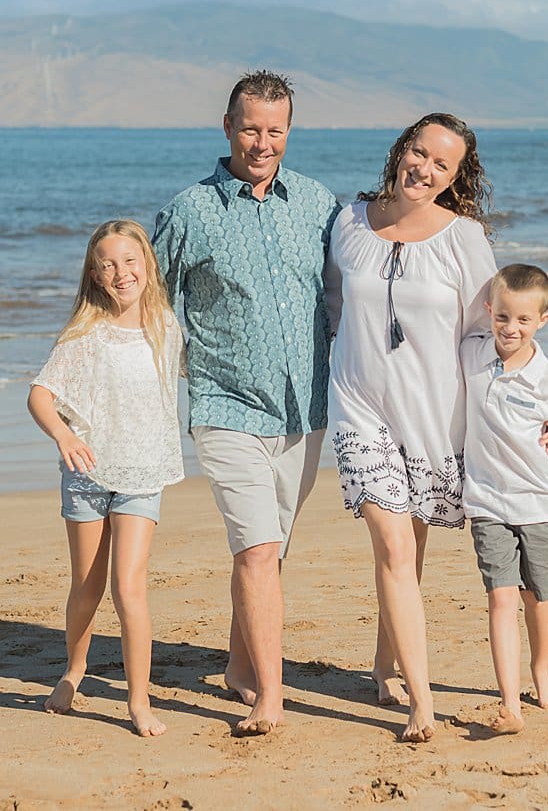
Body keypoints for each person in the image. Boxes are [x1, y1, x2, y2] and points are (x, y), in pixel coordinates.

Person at [152, 71, 339, 736]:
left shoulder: (319, 204)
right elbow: (150, 305)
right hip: (224, 406)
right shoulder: (189, 211)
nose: (263, 142)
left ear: (290, 131)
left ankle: (238, 666)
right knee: (258, 551)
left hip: (304, 409)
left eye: (275, 129)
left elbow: (347, 298)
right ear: (227, 126)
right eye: (251, 127)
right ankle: (270, 696)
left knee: (270, 548)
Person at [324, 112, 498, 742]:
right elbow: (332, 305)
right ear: (401, 149)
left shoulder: (464, 238)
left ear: (455, 177)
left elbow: (488, 332)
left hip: (432, 413)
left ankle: (382, 662)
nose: (423, 169)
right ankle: (421, 705)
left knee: (409, 550)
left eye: (441, 164)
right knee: (395, 548)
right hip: (359, 406)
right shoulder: (347, 222)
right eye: (418, 152)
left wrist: (514, 412)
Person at [27, 219, 185, 738]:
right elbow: (40, 397)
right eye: (109, 265)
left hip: (142, 472)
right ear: (95, 276)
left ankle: (138, 701)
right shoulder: (84, 335)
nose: (122, 272)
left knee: (128, 586)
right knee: (88, 586)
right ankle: (74, 670)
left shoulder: (167, 327)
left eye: (130, 260)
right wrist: (65, 438)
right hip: (88, 475)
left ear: (148, 264)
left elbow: (212, 372)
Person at [461, 263, 548, 735]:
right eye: (502, 317)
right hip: (485, 500)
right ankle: (509, 704)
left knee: (536, 597)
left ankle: (541, 668)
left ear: (542, 320)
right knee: (500, 598)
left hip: (540, 502)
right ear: (489, 312)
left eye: (523, 320)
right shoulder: (470, 353)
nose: (510, 328)